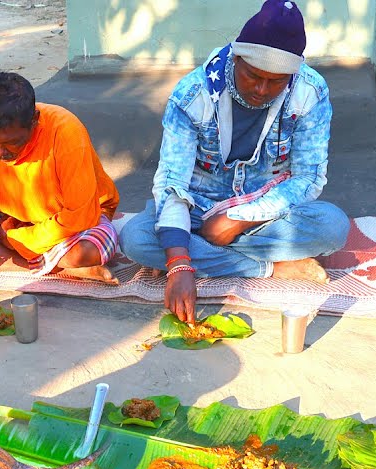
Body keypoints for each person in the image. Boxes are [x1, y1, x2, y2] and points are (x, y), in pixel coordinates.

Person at [119, 0, 350, 322]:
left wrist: (241, 218)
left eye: (276, 81)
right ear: (236, 58)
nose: (262, 89)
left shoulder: (310, 91)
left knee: (333, 228)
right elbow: (173, 182)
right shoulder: (193, 94)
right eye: (253, 76)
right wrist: (179, 263)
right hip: (197, 207)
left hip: (263, 209)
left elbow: (308, 177)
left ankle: (203, 250)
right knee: (135, 239)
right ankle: (271, 267)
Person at [0, 71, 121, 283]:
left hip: (67, 224)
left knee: (86, 252)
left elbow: (78, 216)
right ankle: (62, 271)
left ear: (34, 121)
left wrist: (13, 239)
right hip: (8, 220)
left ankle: (38, 264)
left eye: (11, 142)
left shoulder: (65, 131)